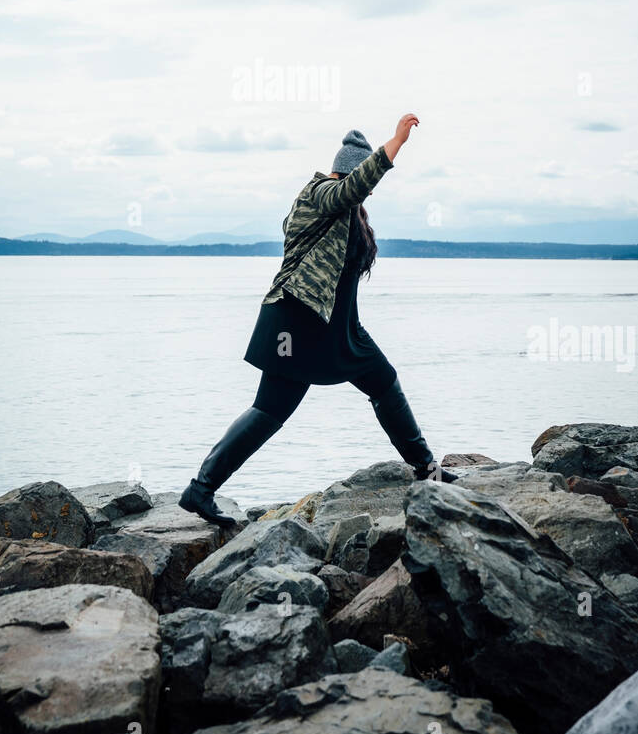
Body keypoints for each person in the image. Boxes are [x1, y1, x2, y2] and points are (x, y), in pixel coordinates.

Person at [179, 113, 457, 526]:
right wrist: (396, 143)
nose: (362, 190)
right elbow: (353, 187)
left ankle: (426, 468)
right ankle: (200, 491)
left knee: (385, 382)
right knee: (269, 410)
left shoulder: (350, 214)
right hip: (296, 321)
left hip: (340, 328)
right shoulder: (320, 193)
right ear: (348, 171)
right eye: (358, 178)